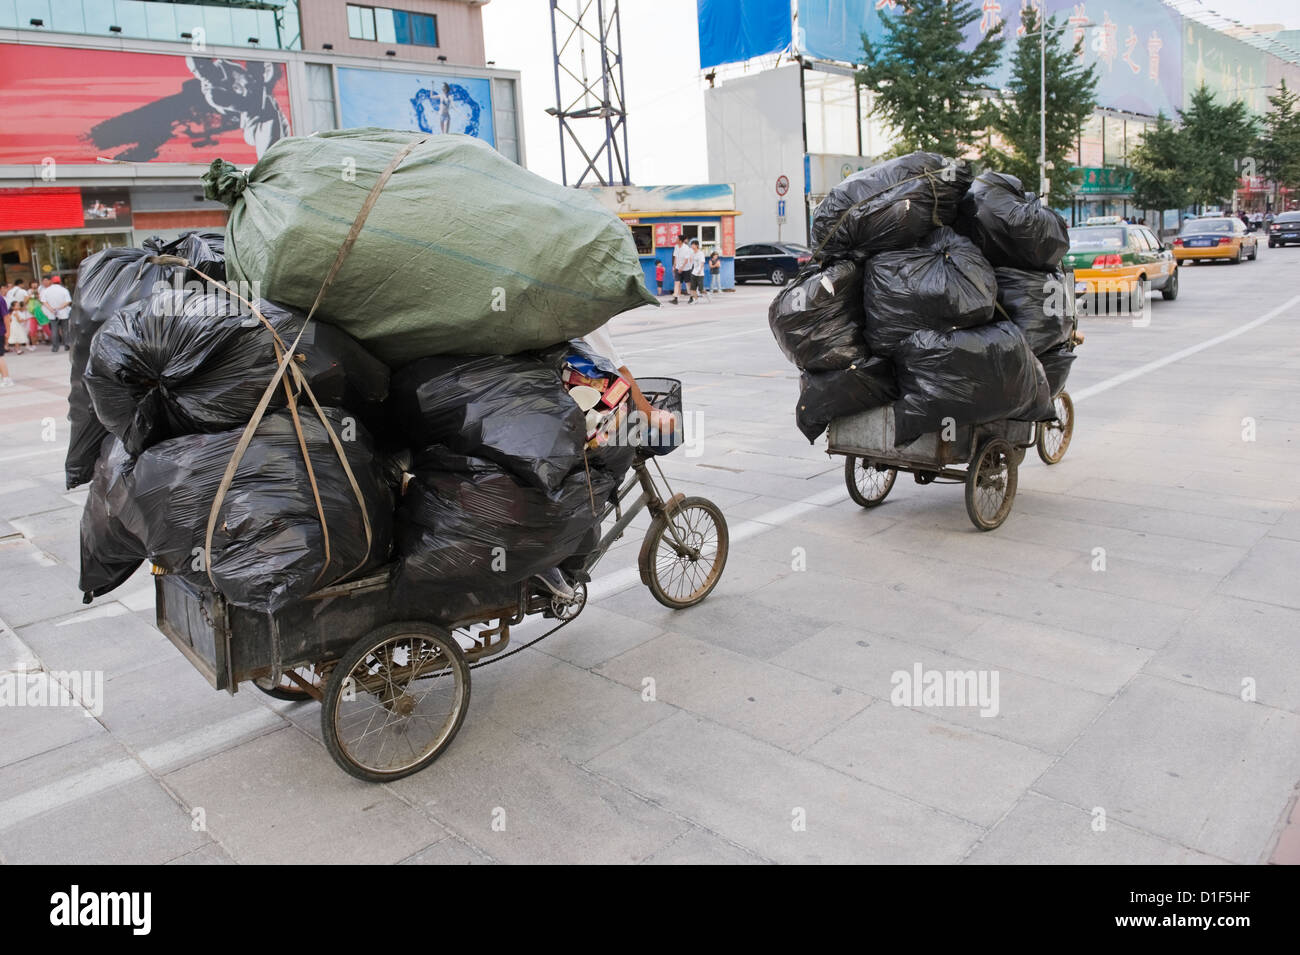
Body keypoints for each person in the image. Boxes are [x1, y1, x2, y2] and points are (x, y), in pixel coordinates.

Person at [533, 321, 677, 602]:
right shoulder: (587, 312)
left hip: (544, 409)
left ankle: (555, 566)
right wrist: (651, 415)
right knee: (598, 479)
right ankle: (554, 568)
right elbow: (616, 370)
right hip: (569, 420)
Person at [41, 275, 72, 353]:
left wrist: (51, 309)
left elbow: (44, 301)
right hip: (63, 313)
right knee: (65, 330)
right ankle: (67, 345)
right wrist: (59, 308)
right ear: (60, 281)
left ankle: (55, 347)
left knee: (54, 330)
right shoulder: (64, 290)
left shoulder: (46, 291)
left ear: (52, 281)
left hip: (52, 314)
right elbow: (68, 301)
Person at [670, 234, 691, 304]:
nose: (676, 240)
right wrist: (674, 266)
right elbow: (675, 257)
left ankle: (691, 297)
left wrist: (682, 268)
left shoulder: (686, 248)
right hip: (678, 267)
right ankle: (675, 298)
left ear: (680, 241)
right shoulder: (676, 246)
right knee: (677, 282)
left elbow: (686, 260)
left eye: (677, 239)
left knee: (688, 283)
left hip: (686, 268)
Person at [689, 238, 706, 303]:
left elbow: (702, 262)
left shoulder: (701, 253)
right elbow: (692, 261)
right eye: (691, 245)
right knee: (692, 288)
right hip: (694, 272)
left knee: (701, 289)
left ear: (697, 246)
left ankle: (707, 294)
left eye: (693, 245)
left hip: (700, 273)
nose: (692, 246)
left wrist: (700, 270)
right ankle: (696, 300)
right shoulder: (692, 253)